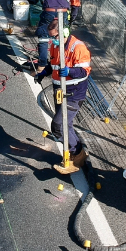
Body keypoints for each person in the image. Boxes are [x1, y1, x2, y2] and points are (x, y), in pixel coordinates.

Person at [37, 24, 91, 167]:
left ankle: (77, 151)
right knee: (65, 124)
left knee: (58, 126)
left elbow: (84, 71)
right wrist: (43, 72)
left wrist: (70, 71)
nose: (52, 40)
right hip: (60, 91)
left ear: (64, 33)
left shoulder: (78, 48)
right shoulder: (56, 46)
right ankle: (77, 153)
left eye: (54, 36)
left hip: (73, 94)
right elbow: (53, 64)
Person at [35, 0, 81, 66]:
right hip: (62, 12)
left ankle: (42, 63)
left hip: (48, 12)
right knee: (62, 37)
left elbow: (43, 1)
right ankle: (61, 62)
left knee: (43, 36)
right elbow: (75, 4)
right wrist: (72, 19)